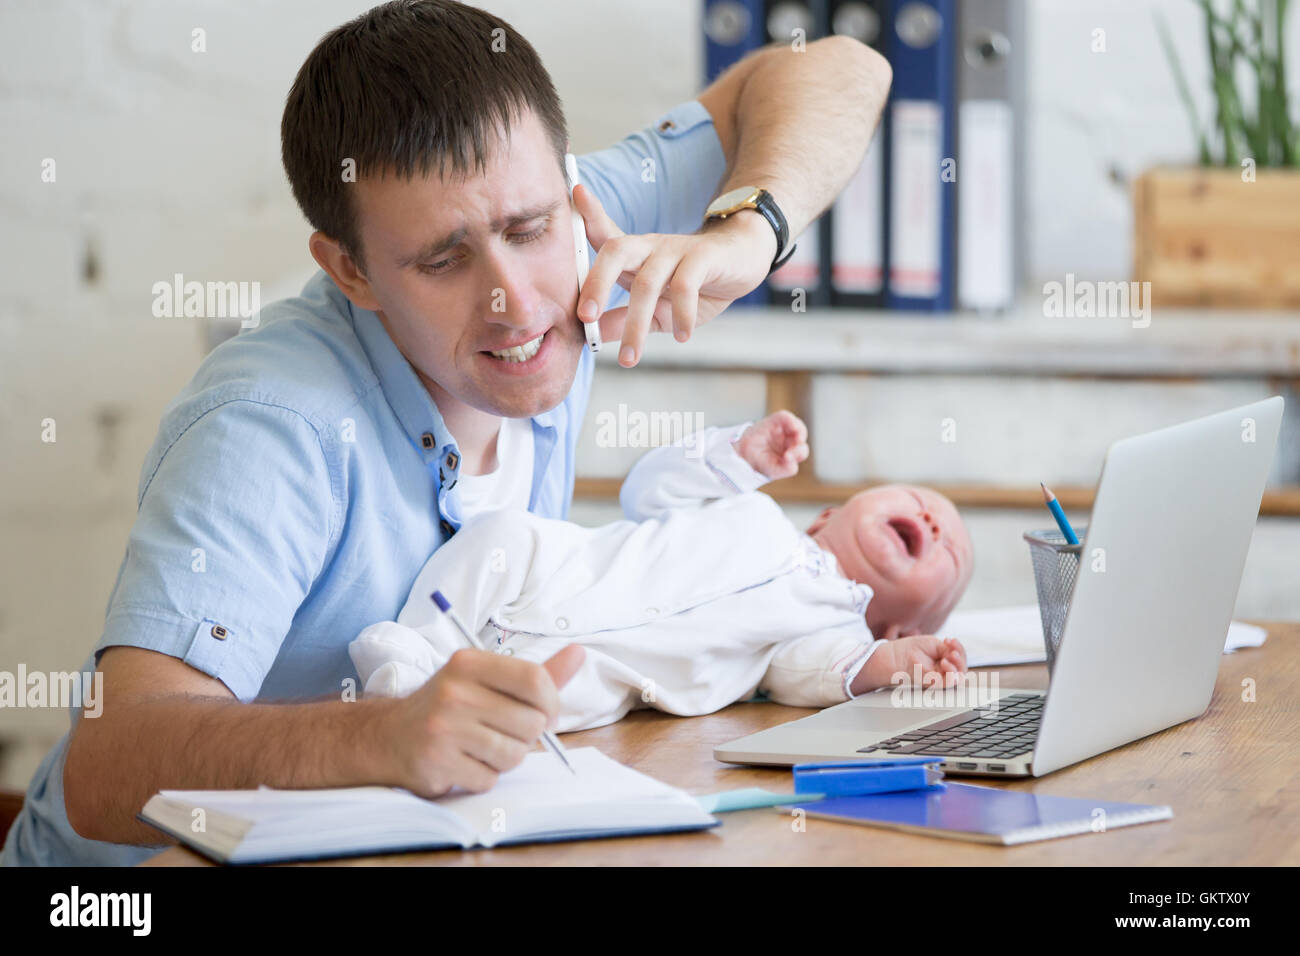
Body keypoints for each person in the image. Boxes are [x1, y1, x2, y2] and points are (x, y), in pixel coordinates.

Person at [1, 0, 892, 865]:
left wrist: (751, 229)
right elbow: (109, 771)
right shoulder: (270, 428)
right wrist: (381, 736)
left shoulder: (584, 221)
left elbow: (840, 66)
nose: (516, 302)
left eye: (530, 228)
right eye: (442, 261)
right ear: (350, 269)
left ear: (567, 190)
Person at [348, 410, 973, 730]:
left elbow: (804, 675)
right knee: (502, 536)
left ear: (896, 627)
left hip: (606, 670)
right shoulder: (750, 504)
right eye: (917, 499)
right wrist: (736, 455)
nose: (932, 521)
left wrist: (890, 666)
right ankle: (413, 660)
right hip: (562, 576)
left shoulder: (837, 629)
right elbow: (649, 490)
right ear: (827, 516)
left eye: (950, 551)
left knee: (552, 704)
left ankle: (445, 714)